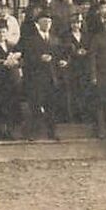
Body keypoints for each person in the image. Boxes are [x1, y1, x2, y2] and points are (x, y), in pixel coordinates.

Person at [19, 10, 65, 140]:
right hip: (36, 77)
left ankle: (52, 132)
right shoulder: (31, 40)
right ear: (38, 23)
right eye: (44, 21)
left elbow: (59, 55)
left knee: (52, 106)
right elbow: (26, 58)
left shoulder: (55, 39)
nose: (47, 24)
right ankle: (33, 133)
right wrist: (39, 58)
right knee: (36, 105)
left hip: (52, 77)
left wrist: (62, 61)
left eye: (49, 22)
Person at [60, 13, 94, 124]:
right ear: (70, 24)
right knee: (73, 91)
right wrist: (75, 52)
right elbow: (63, 51)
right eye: (74, 23)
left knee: (84, 91)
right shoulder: (65, 36)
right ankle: (73, 116)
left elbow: (90, 49)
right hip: (72, 67)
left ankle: (84, 115)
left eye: (78, 22)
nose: (76, 25)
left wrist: (85, 52)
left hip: (84, 67)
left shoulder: (86, 35)